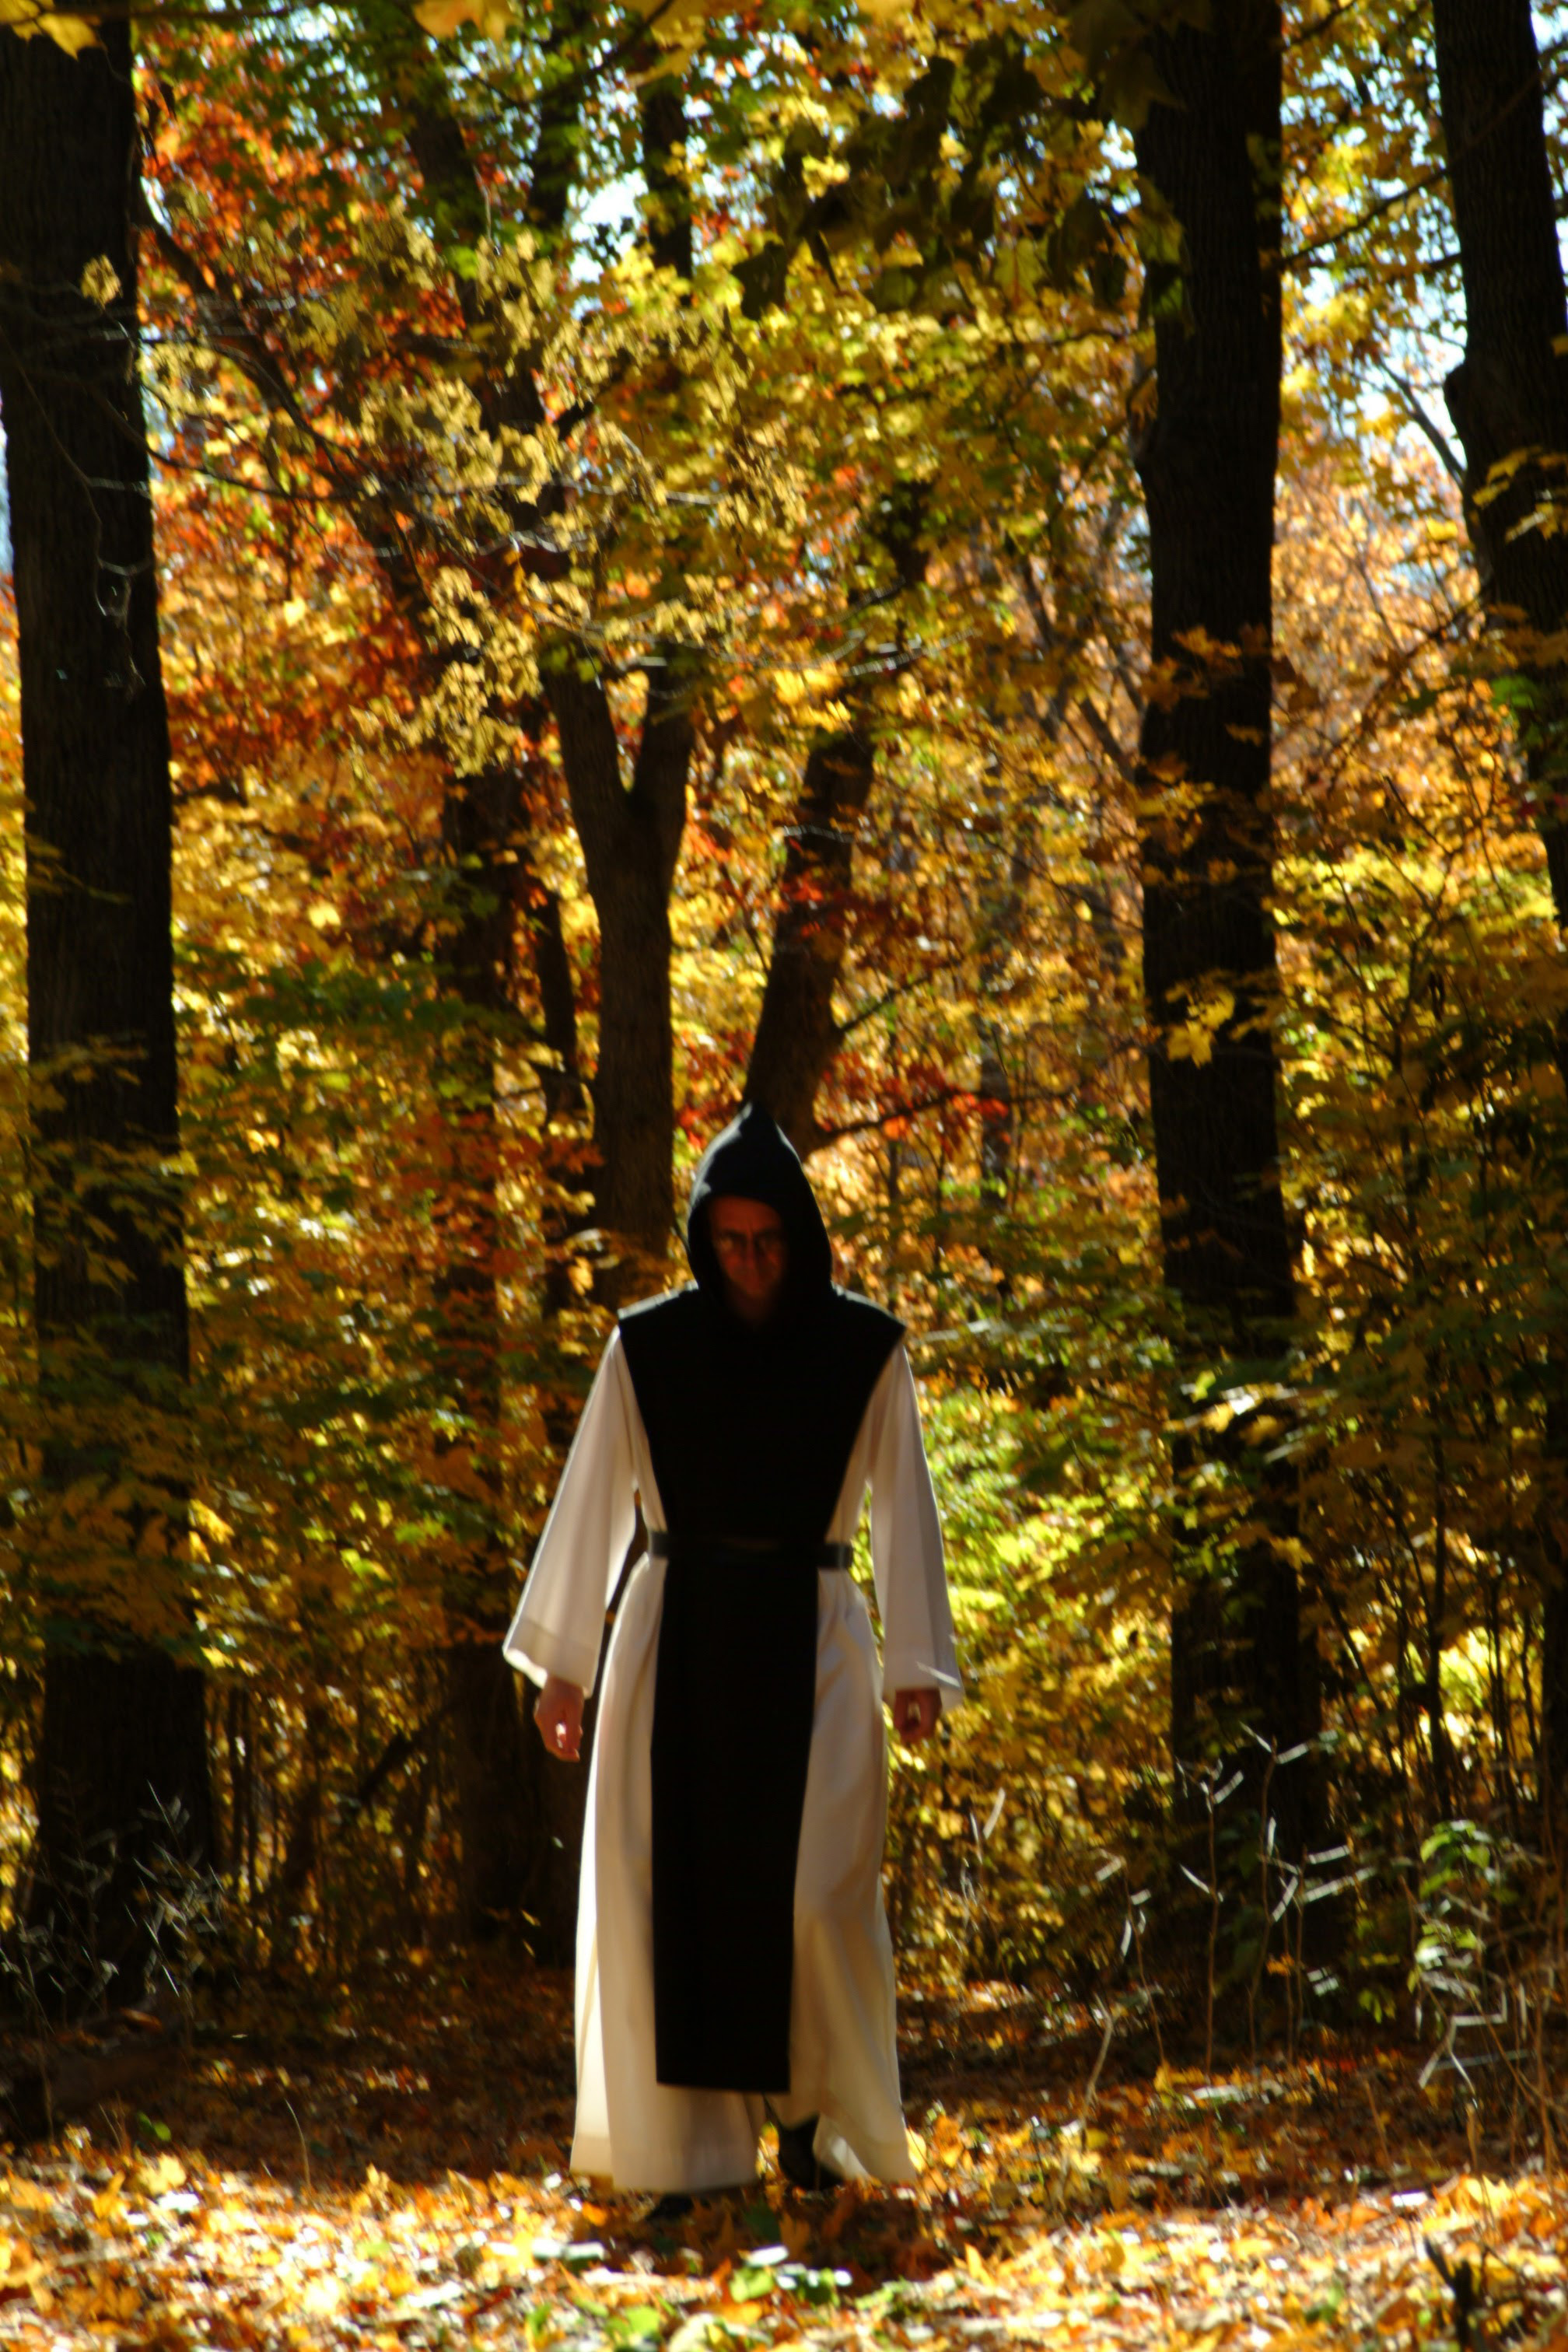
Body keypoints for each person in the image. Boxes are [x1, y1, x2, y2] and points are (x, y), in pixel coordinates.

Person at [503, 1104, 961, 2200]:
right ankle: (689, 2160)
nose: (750, 1264)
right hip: (675, 1643)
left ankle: (816, 2119)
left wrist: (913, 1666)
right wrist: (565, 1668)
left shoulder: (864, 1349)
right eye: (730, 1242)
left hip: (818, 1645)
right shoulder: (648, 1347)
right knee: (673, 1905)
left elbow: (905, 1505)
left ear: (801, 1237)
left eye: (770, 1242)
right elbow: (591, 1503)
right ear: (705, 1238)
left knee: (816, 1903)